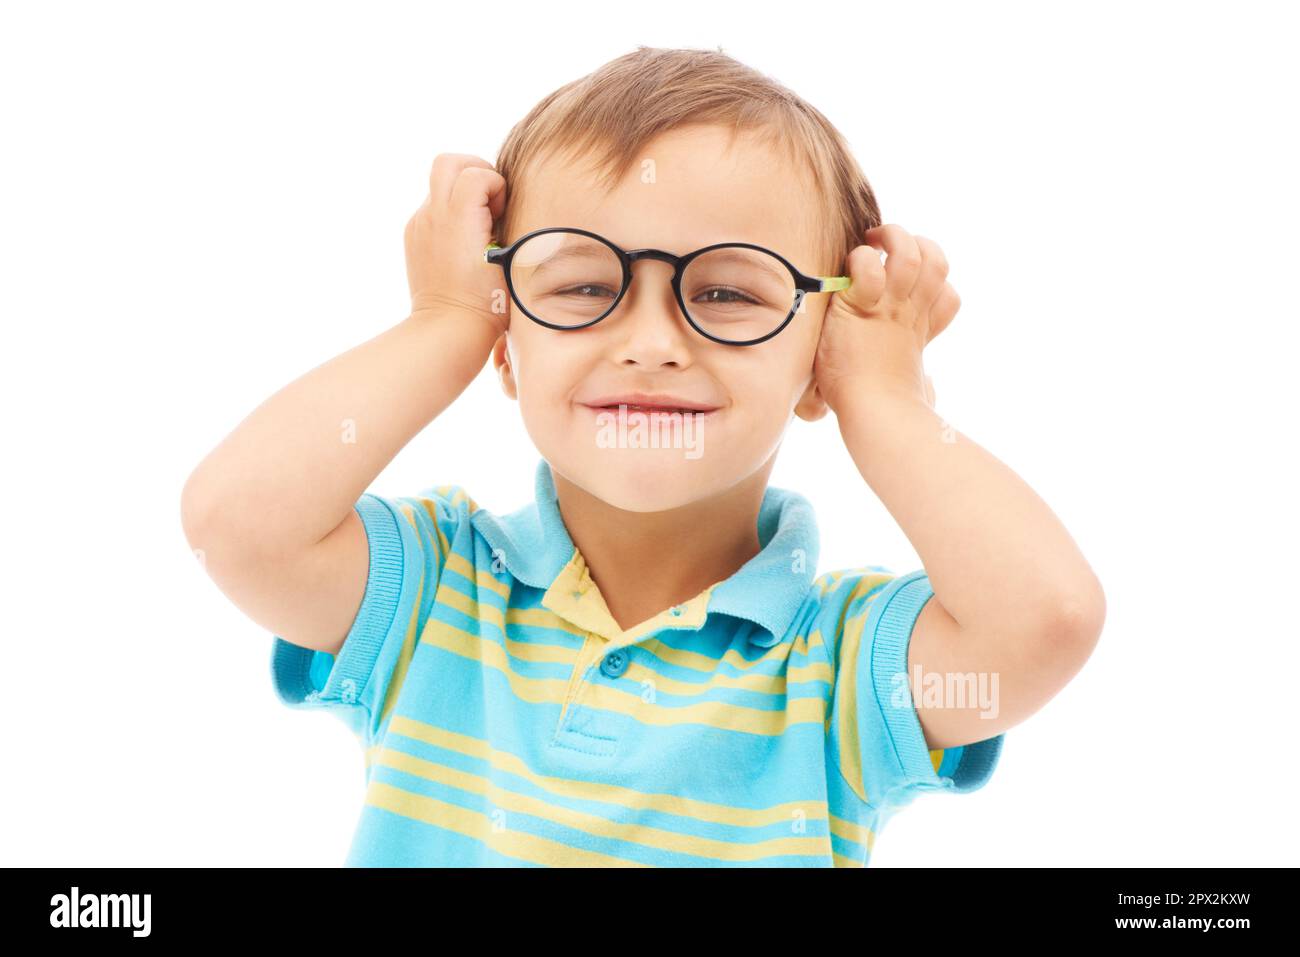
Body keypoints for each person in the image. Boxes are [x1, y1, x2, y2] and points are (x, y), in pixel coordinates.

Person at [181, 46, 1105, 867]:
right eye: (583, 284)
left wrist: (885, 398)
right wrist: (446, 321)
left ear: (822, 355)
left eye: (730, 292)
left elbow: (1048, 618)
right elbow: (236, 524)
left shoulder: (837, 668)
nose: (653, 342)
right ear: (508, 339)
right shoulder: (432, 594)